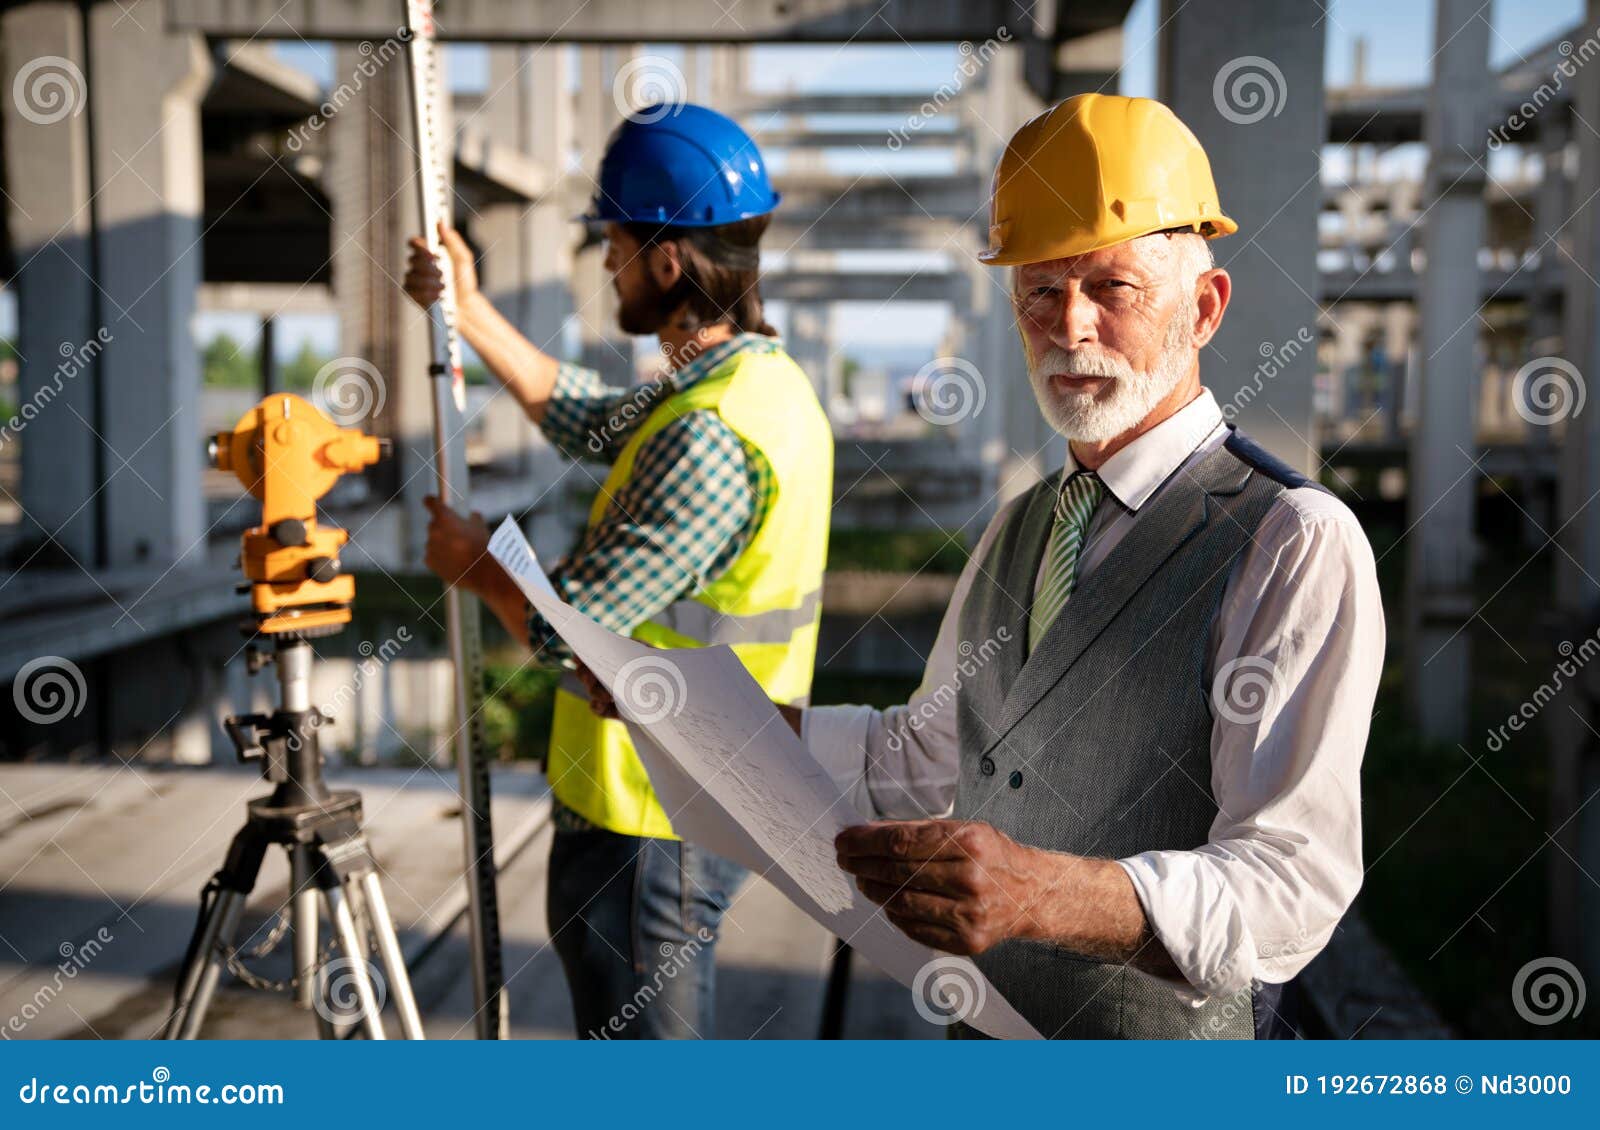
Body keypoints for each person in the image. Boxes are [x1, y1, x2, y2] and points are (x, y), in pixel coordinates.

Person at [581, 92, 1382, 1039]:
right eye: (1039, 292)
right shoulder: (1023, 527)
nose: (1069, 326)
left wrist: (1044, 896)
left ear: (1202, 309)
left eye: (1112, 288)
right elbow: (922, 759)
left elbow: (1293, 883)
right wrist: (697, 712)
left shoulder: (1291, 540)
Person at [405, 103, 834, 1039]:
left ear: (667, 263)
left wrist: (478, 566)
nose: (606, 265)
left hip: (650, 822)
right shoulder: (755, 387)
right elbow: (588, 416)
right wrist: (467, 311)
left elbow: (570, 637)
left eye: (615, 245)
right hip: (693, 801)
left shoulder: (707, 435)